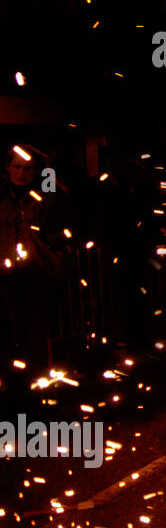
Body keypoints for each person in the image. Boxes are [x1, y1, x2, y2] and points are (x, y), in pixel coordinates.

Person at [0, 144, 63, 371]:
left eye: (27, 168)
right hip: (5, 273)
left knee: (36, 330)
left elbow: (60, 210)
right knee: (9, 332)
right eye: (16, 166)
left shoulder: (44, 193)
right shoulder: (2, 195)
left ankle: (39, 380)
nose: (21, 173)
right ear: (7, 168)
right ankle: (14, 381)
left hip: (38, 271)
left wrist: (49, 246)